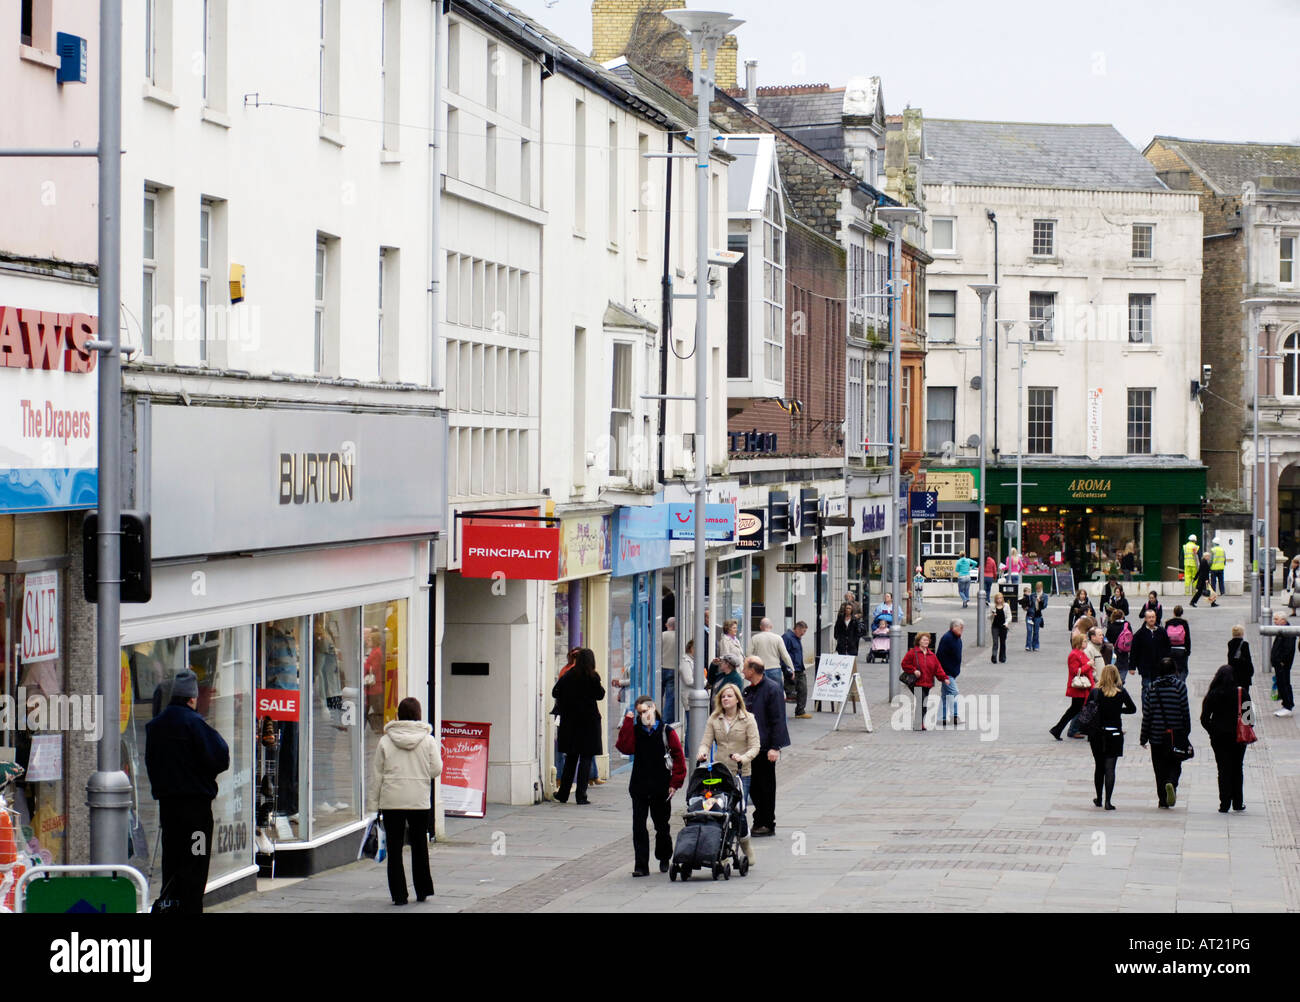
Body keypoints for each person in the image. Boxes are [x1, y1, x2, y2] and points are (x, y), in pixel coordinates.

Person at [144, 669, 230, 913]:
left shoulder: (156, 725)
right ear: (191, 698)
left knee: (172, 861)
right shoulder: (195, 723)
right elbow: (220, 758)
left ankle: (172, 906)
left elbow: (152, 763)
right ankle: (190, 909)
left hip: (169, 809)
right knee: (196, 861)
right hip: (196, 812)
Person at [367, 696, 442, 905]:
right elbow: (436, 769)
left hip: (392, 800)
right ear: (418, 715)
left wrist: (373, 806)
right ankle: (423, 889)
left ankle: (399, 895)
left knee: (394, 847)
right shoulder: (428, 740)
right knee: (419, 845)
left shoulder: (385, 740)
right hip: (418, 799)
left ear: (398, 715)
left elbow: (377, 776)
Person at [615, 695, 687, 876]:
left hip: (661, 786)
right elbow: (625, 748)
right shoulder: (636, 731)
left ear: (653, 708)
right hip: (639, 786)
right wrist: (628, 722)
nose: (644, 716)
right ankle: (641, 866)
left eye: (646, 711)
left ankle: (664, 856)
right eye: (640, 713)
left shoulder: (666, 731)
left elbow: (679, 757)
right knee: (638, 827)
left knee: (661, 826)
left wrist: (675, 783)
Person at [696, 683, 760, 866]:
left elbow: (755, 746)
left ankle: (746, 846)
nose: (725, 699)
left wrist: (743, 757)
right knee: (718, 809)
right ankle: (721, 849)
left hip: (741, 772)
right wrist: (702, 752)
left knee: (738, 811)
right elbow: (705, 742)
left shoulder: (748, 719)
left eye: (729, 696)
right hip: (719, 771)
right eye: (723, 696)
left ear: (737, 699)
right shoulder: (714, 719)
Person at [742, 657, 791, 838]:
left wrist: (775, 747)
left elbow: (778, 719)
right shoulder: (748, 691)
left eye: (745, 668)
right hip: (752, 746)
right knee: (754, 786)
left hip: (766, 746)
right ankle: (759, 819)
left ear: (753, 670)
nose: (742, 671)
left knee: (766, 786)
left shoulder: (772, 689)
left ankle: (767, 822)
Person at [552, 648, 605, 804]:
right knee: (586, 758)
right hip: (589, 723)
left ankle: (563, 794)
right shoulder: (592, 677)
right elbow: (600, 695)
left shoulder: (568, 675)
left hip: (571, 722)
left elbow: (555, 692)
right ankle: (581, 796)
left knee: (571, 759)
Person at [1140, 657, 1192, 809]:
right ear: (1174, 670)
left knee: (1159, 767)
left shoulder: (1152, 687)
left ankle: (1163, 799)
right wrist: (1185, 732)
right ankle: (1172, 782)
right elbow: (1185, 711)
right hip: (1175, 734)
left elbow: (1147, 714)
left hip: (1156, 735)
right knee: (1175, 763)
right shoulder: (1180, 686)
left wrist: (1144, 737)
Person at [1083, 664, 1136, 810]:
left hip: (1098, 734)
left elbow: (1087, 711)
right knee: (1110, 768)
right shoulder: (1121, 692)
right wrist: (1119, 710)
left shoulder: (1095, 692)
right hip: (1115, 733)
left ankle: (1099, 798)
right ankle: (1108, 801)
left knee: (1099, 766)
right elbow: (1133, 709)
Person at [1200, 665, 1249, 813]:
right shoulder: (1242, 692)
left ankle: (1224, 803)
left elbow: (1204, 718)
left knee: (1223, 769)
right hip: (1238, 737)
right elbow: (1250, 718)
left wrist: (1212, 730)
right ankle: (1238, 802)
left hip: (1219, 737)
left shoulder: (1213, 694)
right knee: (1237, 767)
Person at [901, 632, 950, 731]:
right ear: (919, 641)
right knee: (921, 701)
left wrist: (944, 678)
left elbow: (937, 668)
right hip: (916, 682)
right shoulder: (912, 652)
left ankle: (920, 723)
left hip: (927, 683)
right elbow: (904, 664)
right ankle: (918, 724)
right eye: (924, 640)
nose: (926, 642)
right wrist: (914, 670)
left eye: (927, 640)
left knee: (923, 703)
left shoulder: (931, 655)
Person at [1050, 634, 1095, 740]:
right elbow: (1075, 671)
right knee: (1076, 710)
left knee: (1075, 710)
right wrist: (1088, 665)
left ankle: (1058, 729)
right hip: (1078, 687)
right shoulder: (1074, 654)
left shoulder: (1081, 653)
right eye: (1084, 641)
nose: (1086, 642)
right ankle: (1059, 729)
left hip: (1083, 687)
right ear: (1079, 642)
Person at [1130, 608, 1171, 695]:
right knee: (1146, 687)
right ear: (1145, 619)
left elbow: (1167, 648)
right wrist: (1132, 667)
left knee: (1159, 689)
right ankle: (1146, 708)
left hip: (1159, 667)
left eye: (1153, 617)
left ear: (1156, 617)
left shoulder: (1162, 631)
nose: (1151, 619)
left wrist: (1168, 663)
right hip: (1145, 667)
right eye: (1149, 617)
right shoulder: (1139, 634)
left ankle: (1156, 707)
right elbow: (1134, 651)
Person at [749, 617, 795, 689]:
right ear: (771, 626)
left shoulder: (755, 638)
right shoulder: (778, 638)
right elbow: (785, 656)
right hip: (775, 669)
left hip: (759, 670)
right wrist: (792, 668)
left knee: (760, 693)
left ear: (760, 627)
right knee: (777, 693)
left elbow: (749, 655)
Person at [936, 620, 964, 727]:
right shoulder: (947, 638)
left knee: (945, 695)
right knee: (954, 692)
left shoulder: (956, 638)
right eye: (960, 627)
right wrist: (942, 673)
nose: (962, 629)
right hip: (947, 672)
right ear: (954, 627)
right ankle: (954, 717)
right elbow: (940, 655)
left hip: (951, 672)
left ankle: (941, 718)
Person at [781, 621, 811, 718]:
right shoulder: (787, 638)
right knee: (790, 693)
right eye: (802, 631)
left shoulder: (797, 638)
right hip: (791, 669)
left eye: (805, 632)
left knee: (803, 690)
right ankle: (781, 712)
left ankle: (800, 711)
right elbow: (783, 655)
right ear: (797, 628)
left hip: (799, 668)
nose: (803, 634)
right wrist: (786, 668)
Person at [1270, 611, 1295, 718]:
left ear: (1283, 620)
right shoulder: (1282, 630)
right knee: (1282, 683)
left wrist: (1281, 661)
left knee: (1284, 683)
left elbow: (1288, 648)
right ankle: (1286, 704)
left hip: (1283, 664)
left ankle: (1287, 706)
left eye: (1276, 619)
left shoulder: (1288, 631)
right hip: (1280, 663)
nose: (1274, 621)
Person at [660, 618, 680, 724]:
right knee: (669, 698)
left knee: (658, 694)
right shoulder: (680, 637)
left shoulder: (662, 635)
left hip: (661, 667)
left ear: (667, 624)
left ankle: (655, 717)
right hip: (673, 669)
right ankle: (666, 721)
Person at [1106, 609, 1132, 685]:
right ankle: (1120, 684)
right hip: (1124, 652)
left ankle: (1114, 686)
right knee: (1123, 670)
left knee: (1114, 670)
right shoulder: (1127, 625)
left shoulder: (1111, 626)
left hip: (1114, 652)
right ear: (1122, 616)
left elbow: (1108, 640)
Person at [1164, 605, 1191, 680]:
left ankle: (1173, 683)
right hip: (1181, 649)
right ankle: (1181, 684)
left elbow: (1165, 637)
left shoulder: (1168, 622)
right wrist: (1188, 650)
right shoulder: (1184, 622)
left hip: (1171, 649)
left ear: (1173, 612)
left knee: (1171, 669)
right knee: (1183, 670)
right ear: (1182, 613)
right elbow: (1187, 638)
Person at [1227, 624, 1254, 693]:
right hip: (1244, 674)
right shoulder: (1245, 644)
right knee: (1245, 694)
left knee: (1235, 693)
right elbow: (1248, 659)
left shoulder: (1230, 643)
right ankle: (1246, 704)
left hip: (1234, 673)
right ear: (1242, 633)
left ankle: (1236, 704)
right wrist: (1251, 672)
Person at [989, 591, 1008, 664]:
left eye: (1000, 598)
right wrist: (992, 615)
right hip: (995, 626)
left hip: (1003, 626)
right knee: (995, 642)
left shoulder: (1006, 605)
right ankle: (994, 656)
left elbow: (1009, 616)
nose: (999, 600)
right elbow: (988, 617)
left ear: (1002, 599)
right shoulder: (992, 606)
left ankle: (1002, 657)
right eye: (998, 598)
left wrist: (1006, 623)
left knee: (1003, 642)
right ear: (995, 599)